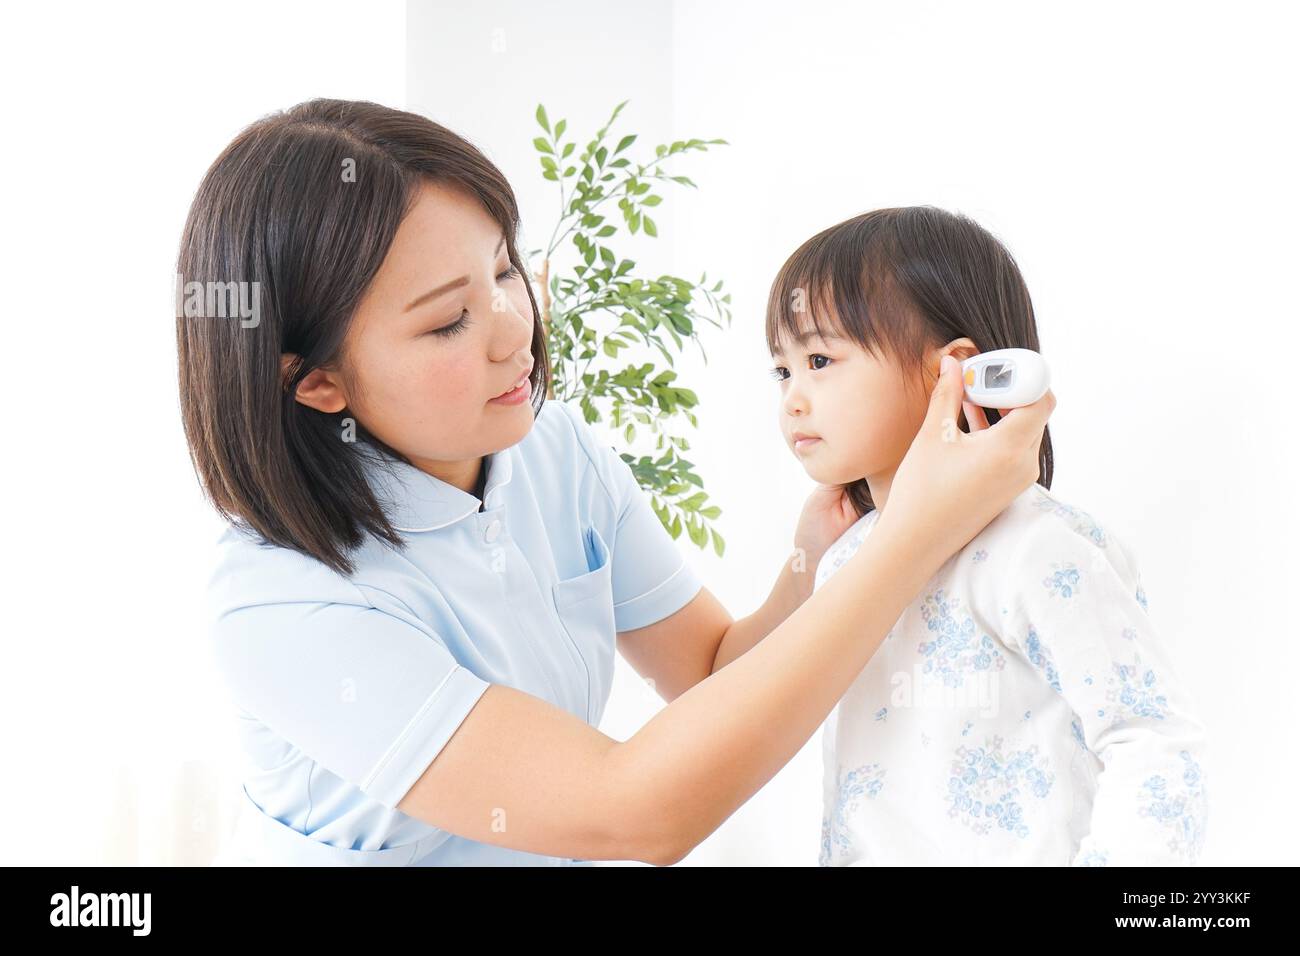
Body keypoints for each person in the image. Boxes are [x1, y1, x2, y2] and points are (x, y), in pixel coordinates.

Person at [176, 99, 1055, 865]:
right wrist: (916, 536)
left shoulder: (552, 453)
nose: (514, 329)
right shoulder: (282, 600)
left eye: (505, 270)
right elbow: (639, 812)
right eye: (449, 321)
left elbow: (710, 672)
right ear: (315, 380)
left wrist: (810, 560)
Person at [763, 206, 1209, 866]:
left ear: (957, 370)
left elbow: (1151, 740)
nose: (793, 398)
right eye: (782, 370)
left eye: (821, 359)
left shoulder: (1037, 550)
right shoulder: (847, 561)